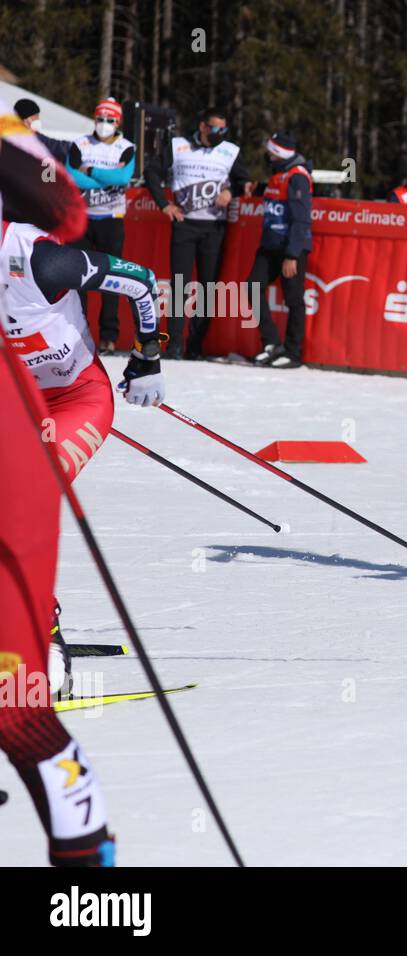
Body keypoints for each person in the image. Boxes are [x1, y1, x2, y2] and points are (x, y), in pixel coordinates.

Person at [0, 97, 119, 866]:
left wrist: (146, 359)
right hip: (22, 398)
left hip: (65, 403)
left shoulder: (35, 251)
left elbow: (126, 273)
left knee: (15, 711)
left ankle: (35, 636)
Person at [145, 106, 249, 360]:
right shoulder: (178, 146)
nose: (219, 133)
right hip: (185, 224)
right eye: (214, 128)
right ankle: (175, 345)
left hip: (213, 227)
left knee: (207, 288)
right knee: (179, 286)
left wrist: (232, 192)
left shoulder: (229, 151)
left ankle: (195, 345)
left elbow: (244, 180)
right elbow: (152, 171)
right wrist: (164, 204)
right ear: (202, 126)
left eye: (223, 129)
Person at [68, 98, 136, 353]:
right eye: (100, 119)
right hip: (83, 218)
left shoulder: (126, 147)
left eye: (109, 120)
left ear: (117, 122)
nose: (104, 125)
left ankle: (109, 336)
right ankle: (78, 332)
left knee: (111, 278)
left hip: (111, 219)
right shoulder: (80, 143)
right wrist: (104, 178)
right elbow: (72, 176)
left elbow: (122, 177)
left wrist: (90, 170)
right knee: (77, 278)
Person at [251, 132, 313, 368]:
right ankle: (271, 343)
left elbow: (301, 219)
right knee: (252, 287)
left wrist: (292, 255)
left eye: (272, 153)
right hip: (270, 245)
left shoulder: (297, 177)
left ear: (280, 154)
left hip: (289, 247)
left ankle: (293, 353)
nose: (268, 157)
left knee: (294, 298)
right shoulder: (280, 174)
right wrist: (257, 189)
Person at [11, 97, 71, 164]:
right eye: (35, 117)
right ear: (26, 119)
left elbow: (51, 142)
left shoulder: (34, 135)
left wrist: (72, 145)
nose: (38, 119)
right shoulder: (18, 136)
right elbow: (52, 145)